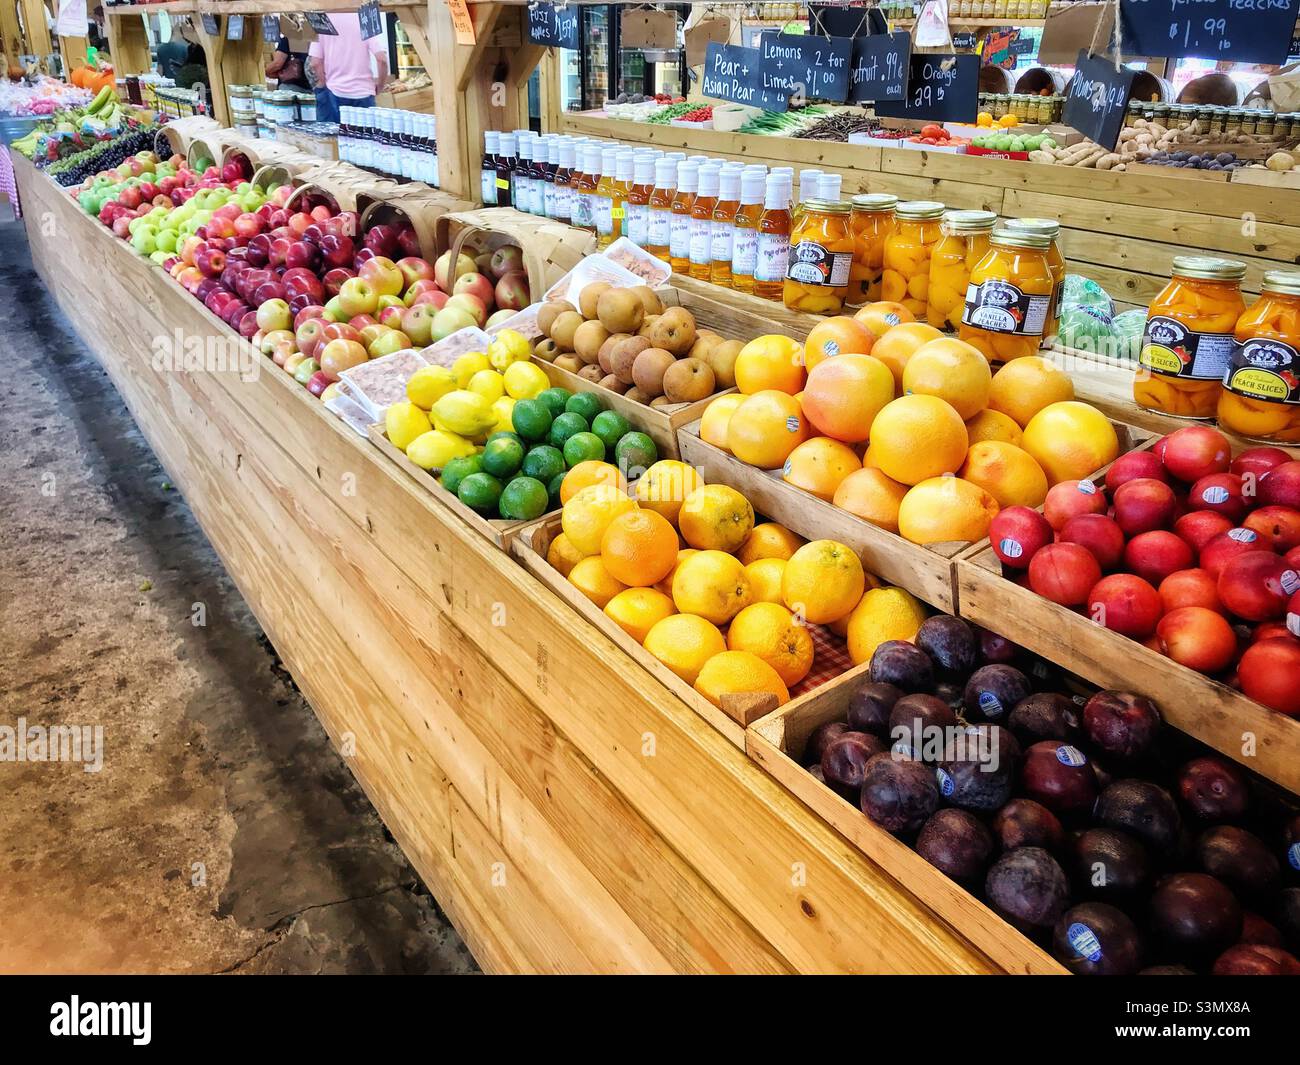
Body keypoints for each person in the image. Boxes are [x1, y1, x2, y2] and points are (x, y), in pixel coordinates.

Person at [307, 12, 388, 124]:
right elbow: (382, 60)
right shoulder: (365, 17)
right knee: (365, 139)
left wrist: (324, 82)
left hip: (335, 92)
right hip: (364, 92)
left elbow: (315, 63)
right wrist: (380, 85)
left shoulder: (321, 19)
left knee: (336, 139)